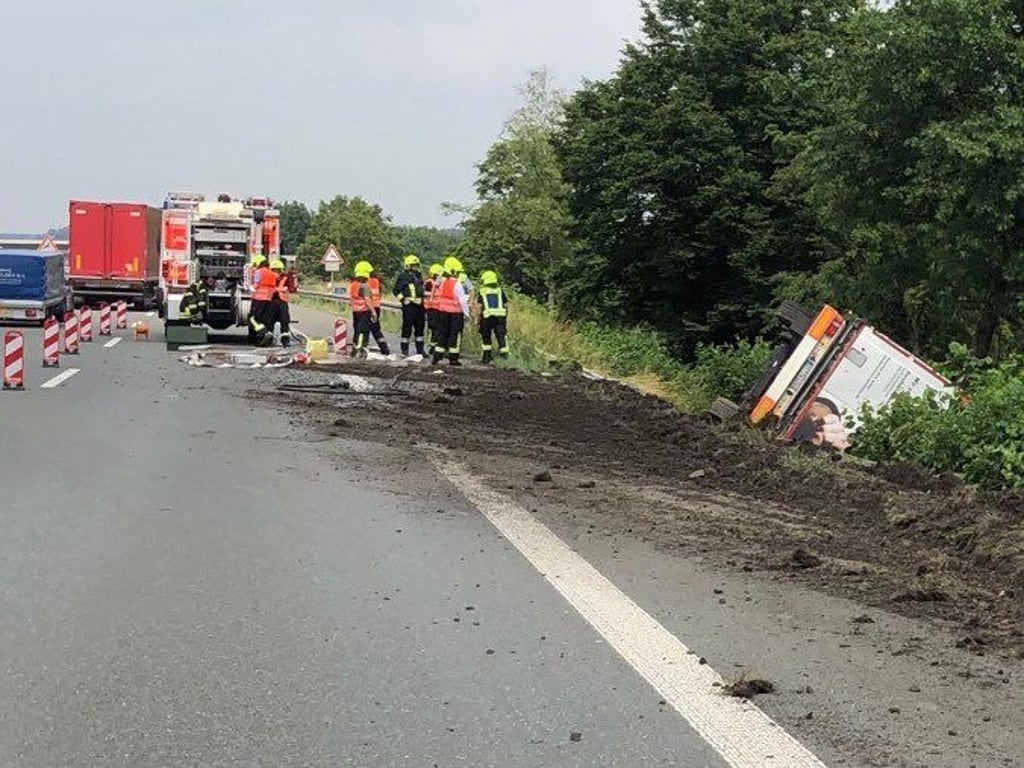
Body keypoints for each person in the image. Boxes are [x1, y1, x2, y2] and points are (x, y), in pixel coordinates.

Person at [431, 255, 467, 366]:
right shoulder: (457, 284)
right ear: (454, 271)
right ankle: (453, 358)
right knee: (454, 335)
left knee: (442, 333)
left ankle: (436, 357)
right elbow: (462, 300)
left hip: (442, 312)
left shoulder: (443, 282)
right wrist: (467, 314)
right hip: (456, 313)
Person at [393, 254, 426, 357]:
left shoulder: (419, 276)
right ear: (408, 266)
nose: (416, 267)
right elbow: (396, 290)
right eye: (414, 265)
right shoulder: (403, 276)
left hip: (420, 306)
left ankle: (420, 350)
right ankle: (404, 349)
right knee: (407, 328)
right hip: (409, 307)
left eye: (417, 265)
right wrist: (403, 299)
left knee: (420, 329)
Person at [477, 270, 509, 364]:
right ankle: (504, 357)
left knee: (486, 336)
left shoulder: (482, 291)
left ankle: (486, 357)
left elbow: (479, 306)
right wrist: (505, 316)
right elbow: (506, 305)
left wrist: (478, 318)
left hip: (486, 317)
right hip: (500, 316)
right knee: (501, 336)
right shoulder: (499, 290)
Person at [349, 261, 376, 359]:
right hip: (364, 311)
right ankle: (361, 349)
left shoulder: (353, 285)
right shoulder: (365, 286)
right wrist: (373, 311)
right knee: (363, 331)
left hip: (355, 311)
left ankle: (354, 348)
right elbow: (367, 300)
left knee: (357, 330)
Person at [249, 259, 276, 346]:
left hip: (258, 298)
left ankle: (264, 332)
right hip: (268, 298)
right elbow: (273, 287)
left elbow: (256, 284)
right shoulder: (272, 274)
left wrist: (250, 288)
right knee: (264, 319)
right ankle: (264, 338)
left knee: (252, 318)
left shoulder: (258, 272)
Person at [365, 264, 391, 356]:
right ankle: (384, 348)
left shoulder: (365, 282)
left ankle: (363, 347)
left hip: (368, 308)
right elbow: (379, 294)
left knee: (364, 329)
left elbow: (365, 297)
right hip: (376, 307)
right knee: (376, 329)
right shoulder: (376, 281)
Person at [269, 259, 291, 347]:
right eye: (274, 270)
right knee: (269, 321)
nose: (276, 272)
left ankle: (285, 340)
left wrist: (277, 289)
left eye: (277, 270)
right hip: (271, 301)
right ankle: (269, 339)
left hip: (282, 302)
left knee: (284, 321)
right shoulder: (269, 278)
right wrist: (278, 289)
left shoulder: (286, 278)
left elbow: (287, 288)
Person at [423, 262, 444, 357]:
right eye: (437, 275)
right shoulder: (429, 282)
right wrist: (434, 294)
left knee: (438, 328)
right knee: (433, 328)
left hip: (439, 308)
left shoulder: (440, 283)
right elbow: (425, 293)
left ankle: (435, 346)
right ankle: (432, 347)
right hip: (431, 308)